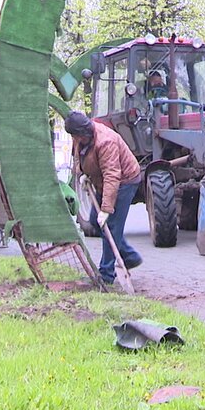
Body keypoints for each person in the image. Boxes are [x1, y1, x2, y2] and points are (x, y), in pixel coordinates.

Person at [64, 110, 143, 285]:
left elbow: (112, 175)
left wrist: (107, 209)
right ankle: (130, 256)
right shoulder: (79, 136)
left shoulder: (105, 141)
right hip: (102, 181)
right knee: (94, 221)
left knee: (110, 227)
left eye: (76, 136)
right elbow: (77, 155)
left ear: (83, 133)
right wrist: (82, 173)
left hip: (124, 181)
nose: (75, 140)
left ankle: (106, 275)